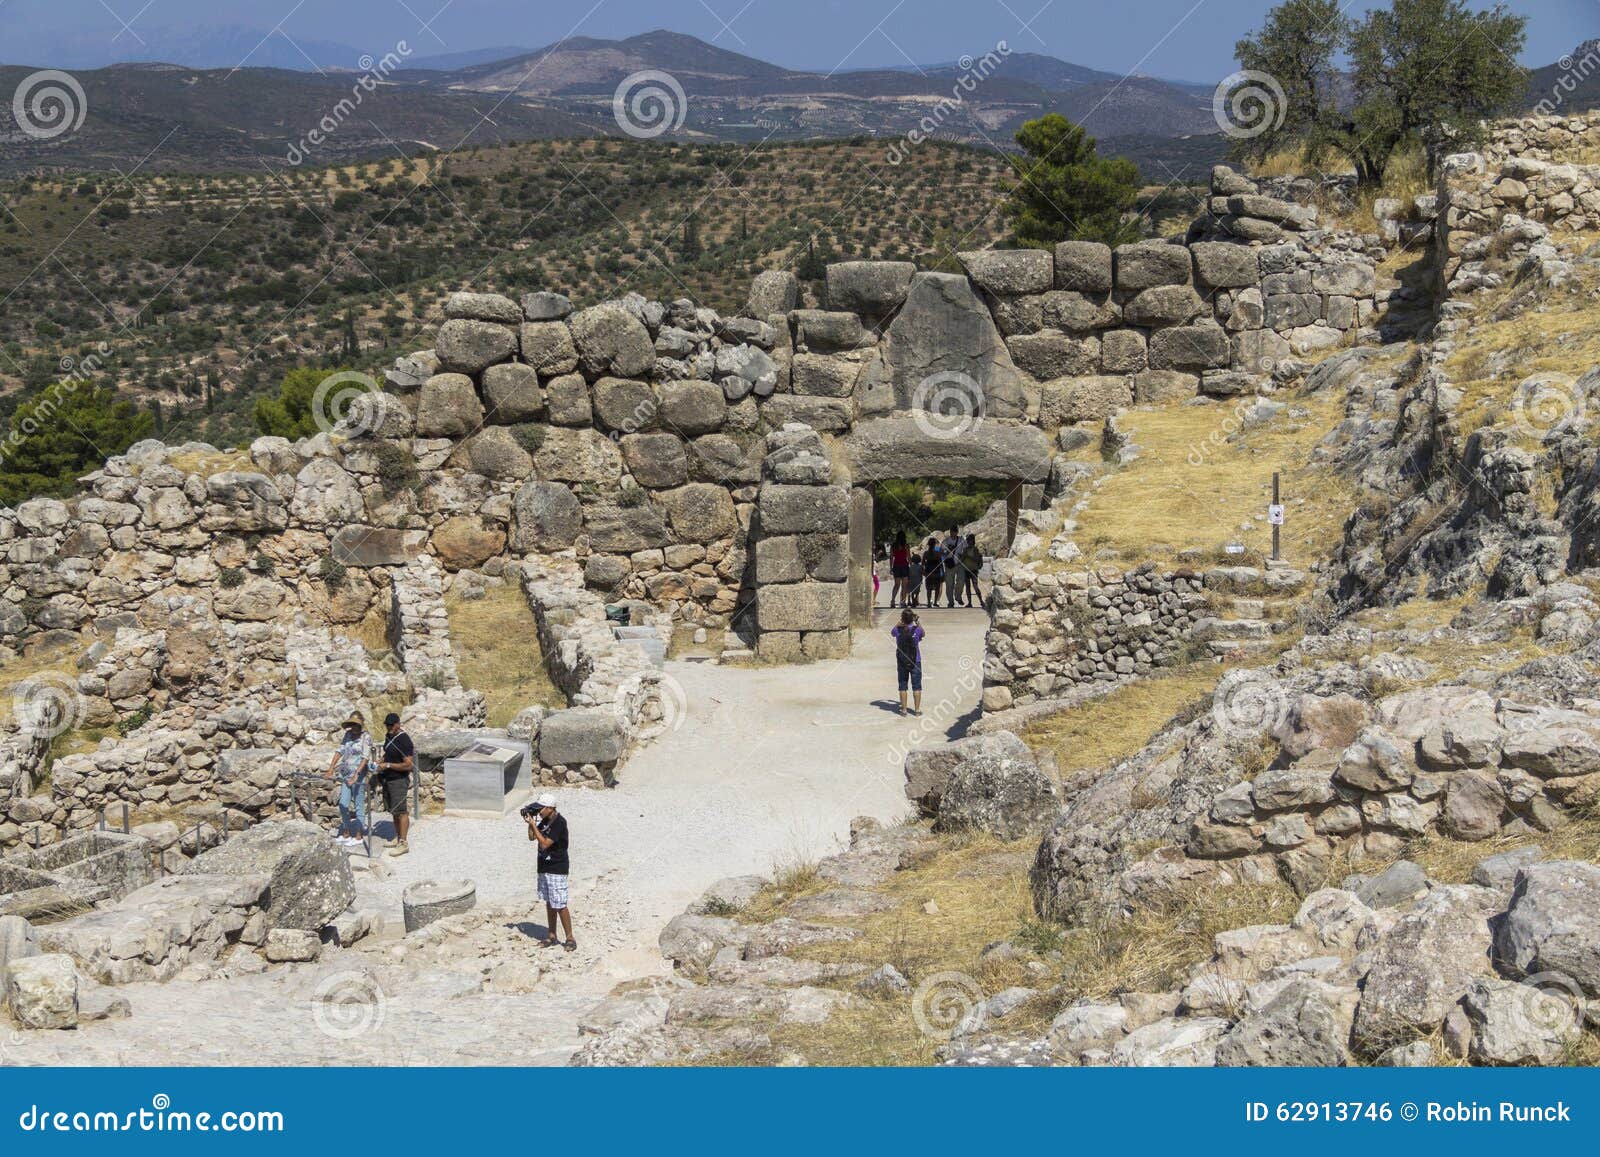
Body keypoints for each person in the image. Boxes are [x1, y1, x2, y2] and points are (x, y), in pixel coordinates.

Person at [524, 792, 575, 952]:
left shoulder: (559, 822)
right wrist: (531, 823)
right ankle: (552, 935)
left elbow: (545, 843)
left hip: (557, 868)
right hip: (544, 867)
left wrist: (534, 825)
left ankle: (570, 938)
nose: (539, 811)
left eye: (541, 808)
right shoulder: (545, 820)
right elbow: (532, 837)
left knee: (560, 904)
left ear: (550, 808)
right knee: (549, 902)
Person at [326, 711, 374, 849]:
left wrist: (356, 775)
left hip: (358, 776)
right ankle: (346, 831)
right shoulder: (347, 735)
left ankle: (358, 835)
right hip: (345, 774)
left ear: (361, 725)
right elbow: (340, 751)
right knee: (343, 804)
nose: (354, 727)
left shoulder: (366, 737)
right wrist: (331, 768)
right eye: (352, 724)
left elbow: (365, 757)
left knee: (359, 805)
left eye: (356, 725)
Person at [376, 711, 414, 857]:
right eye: (387, 725)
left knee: (401, 811)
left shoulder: (404, 740)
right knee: (394, 810)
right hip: (388, 778)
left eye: (392, 725)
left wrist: (388, 765)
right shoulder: (389, 736)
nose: (389, 728)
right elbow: (387, 753)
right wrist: (379, 762)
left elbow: (408, 765)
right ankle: (398, 837)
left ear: (398, 724)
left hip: (399, 779)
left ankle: (403, 843)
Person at [891, 609, 925, 717]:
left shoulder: (897, 630)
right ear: (912, 619)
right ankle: (917, 710)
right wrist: (917, 622)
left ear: (902, 618)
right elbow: (923, 634)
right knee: (917, 686)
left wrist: (899, 622)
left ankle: (904, 710)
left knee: (903, 686)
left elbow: (892, 632)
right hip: (916, 660)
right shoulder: (917, 630)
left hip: (902, 661)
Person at [960, 532, 985, 607]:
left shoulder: (975, 549)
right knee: (967, 587)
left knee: (975, 586)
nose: (968, 542)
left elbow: (976, 559)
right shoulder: (965, 549)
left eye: (969, 540)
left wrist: (968, 556)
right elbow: (962, 560)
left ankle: (981, 601)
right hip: (966, 570)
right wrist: (962, 556)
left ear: (972, 540)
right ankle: (969, 602)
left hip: (973, 570)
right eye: (968, 540)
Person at [942, 525, 964, 607]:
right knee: (949, 584)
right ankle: (950, 601)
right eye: (952, 531)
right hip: (949, 564)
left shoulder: (961, 540)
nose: (953, 533)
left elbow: (965, 549)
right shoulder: (946, 541)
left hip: (959, 563)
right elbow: (941, 552)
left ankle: (958, 596)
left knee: (961, 581)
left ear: (957, 532)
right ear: (950, 532)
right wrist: (946, 552)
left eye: (955, 531)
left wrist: (962, 556)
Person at [889, 532, 911, 608]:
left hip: (896, 566)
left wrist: (891, 568)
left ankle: (892, 601)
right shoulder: (906, 546)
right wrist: (911, 565)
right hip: (904, 566)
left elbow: (891, 557)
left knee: (896, 585)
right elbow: (908, 557)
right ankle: (903, 602)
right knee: (904, 586)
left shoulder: (893, 546)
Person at [922, 536, 944, 608]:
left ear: (928, 544)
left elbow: (922, 564)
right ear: (934, 544)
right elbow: (941, 564)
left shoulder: (926, 553)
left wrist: (924, 572)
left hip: (928, 573)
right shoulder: (937, 553)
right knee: (937, 588)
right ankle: (935, 602)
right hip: (936, 573)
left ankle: (929, 602)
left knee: (929, 589)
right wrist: (943, 573)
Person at [905, 540, 923, 608]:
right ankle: (915, 600)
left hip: (911, 580)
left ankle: (911, 601)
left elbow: (908, 574)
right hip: (918, 581)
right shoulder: (920, 566)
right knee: (917, 591)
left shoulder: (910, 567)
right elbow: (922, 573)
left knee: (911, 591)